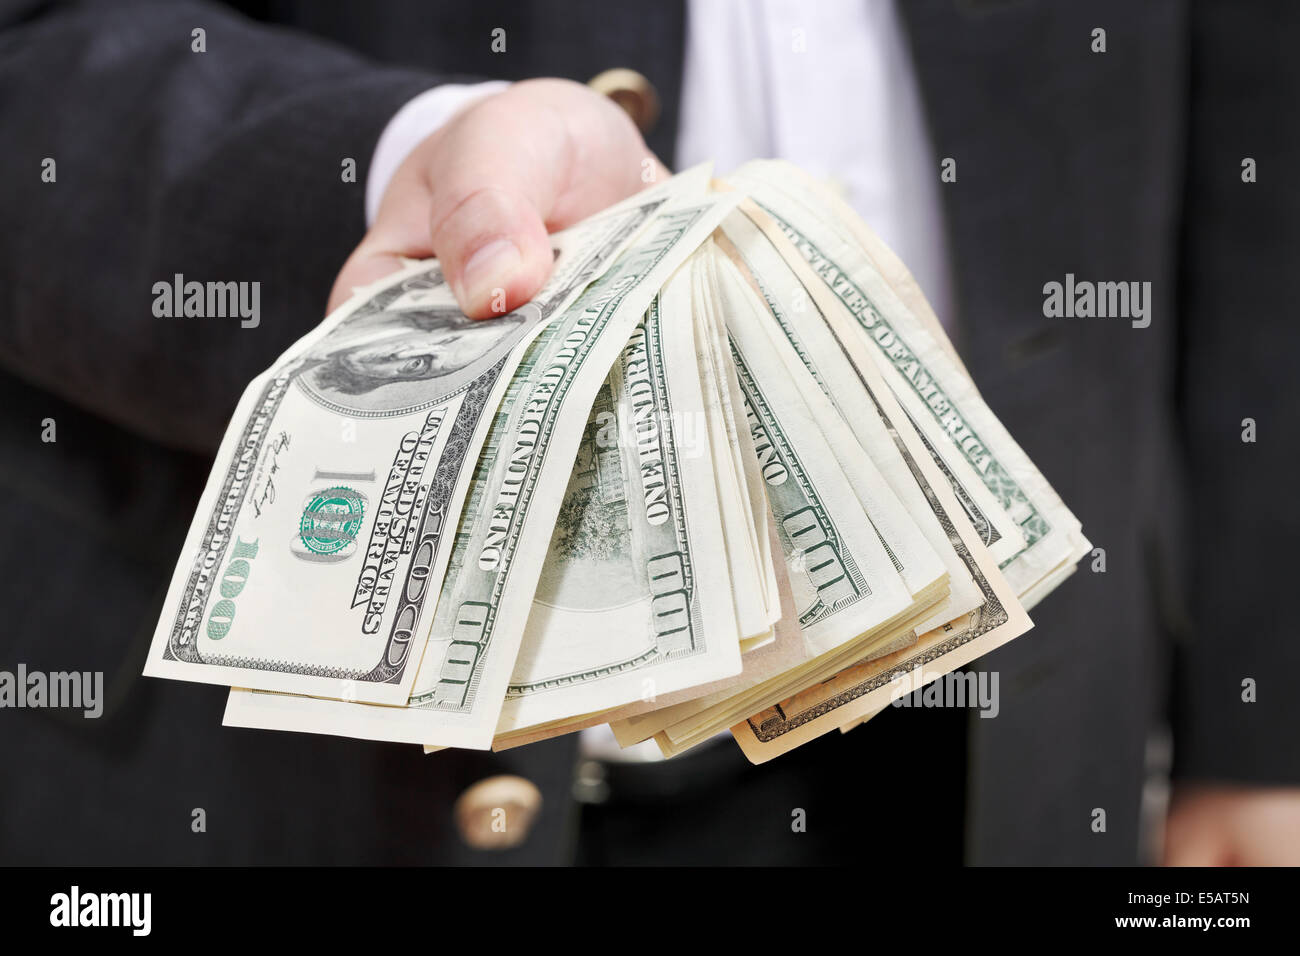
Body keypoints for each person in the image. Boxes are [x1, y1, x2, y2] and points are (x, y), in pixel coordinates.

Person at [1, 0, 1297, 865]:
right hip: (303, 774)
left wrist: (1264, 723)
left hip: (990, 717)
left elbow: (1262, 129)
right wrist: (403, 158)